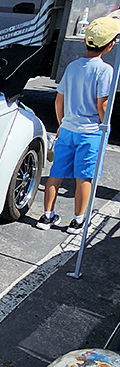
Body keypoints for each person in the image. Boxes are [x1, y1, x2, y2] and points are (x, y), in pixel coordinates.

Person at [36, 16, 117, 234]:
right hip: (90, 132)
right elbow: (103, 103)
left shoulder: (72, 67)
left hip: (68, 129)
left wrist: (62, 122)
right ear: (109, 46)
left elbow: (58, 99)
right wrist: (104, 124)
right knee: (85, 176)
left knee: (56, 173)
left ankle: (46, 216)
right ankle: (79, 220)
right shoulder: (105, 70)